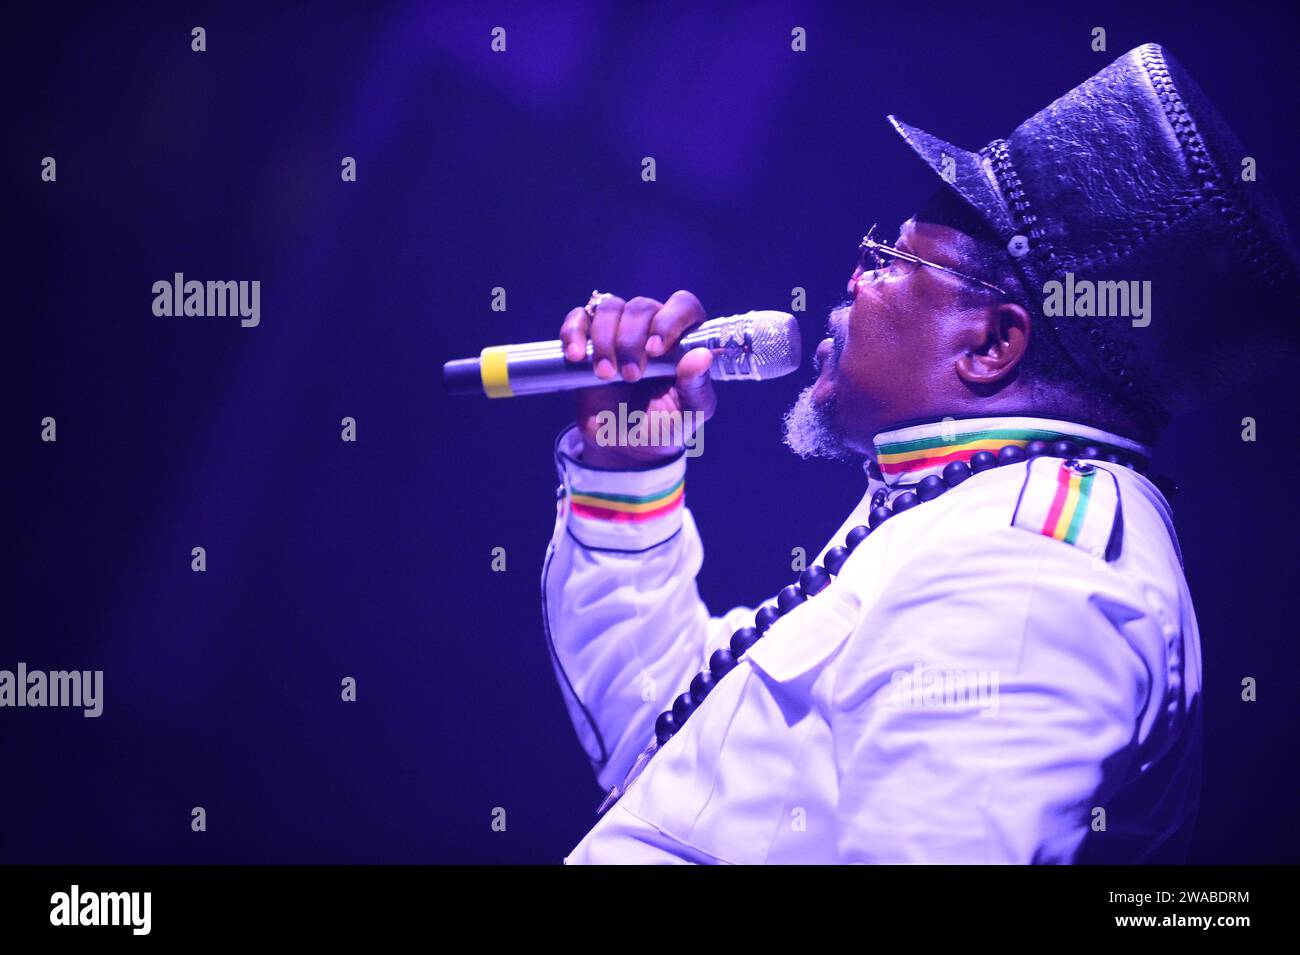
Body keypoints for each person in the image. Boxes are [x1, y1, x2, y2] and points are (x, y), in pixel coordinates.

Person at [540, 43, 1298, 863]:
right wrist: (630, 465)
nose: (851, 281)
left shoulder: (1026, 577)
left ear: (991, 343)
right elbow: (667, 752)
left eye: (886, 260)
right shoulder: (959, 512)